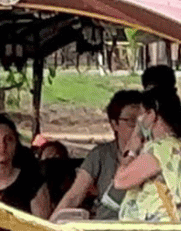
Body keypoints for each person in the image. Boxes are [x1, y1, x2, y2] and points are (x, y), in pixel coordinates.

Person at [51, 90, 143, 220]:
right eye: (132, 121)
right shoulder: (100, 155)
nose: (139, 128)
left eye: (143, 121)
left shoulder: (155, 153)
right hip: (106, 227)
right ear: (114, 124)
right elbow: (74, 196)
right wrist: (51, 227)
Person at [112, 87, 181, 222]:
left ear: (152, 114)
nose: (139, 121)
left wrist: (133, 144)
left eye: (142, 114)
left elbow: (120, 181)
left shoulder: (159, 149)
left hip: (151, 228)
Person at [0, 114, 52, 217]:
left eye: (8, 139)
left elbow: (43, 227)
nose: (2, 145)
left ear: (16, 144)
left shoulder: (32, 183)